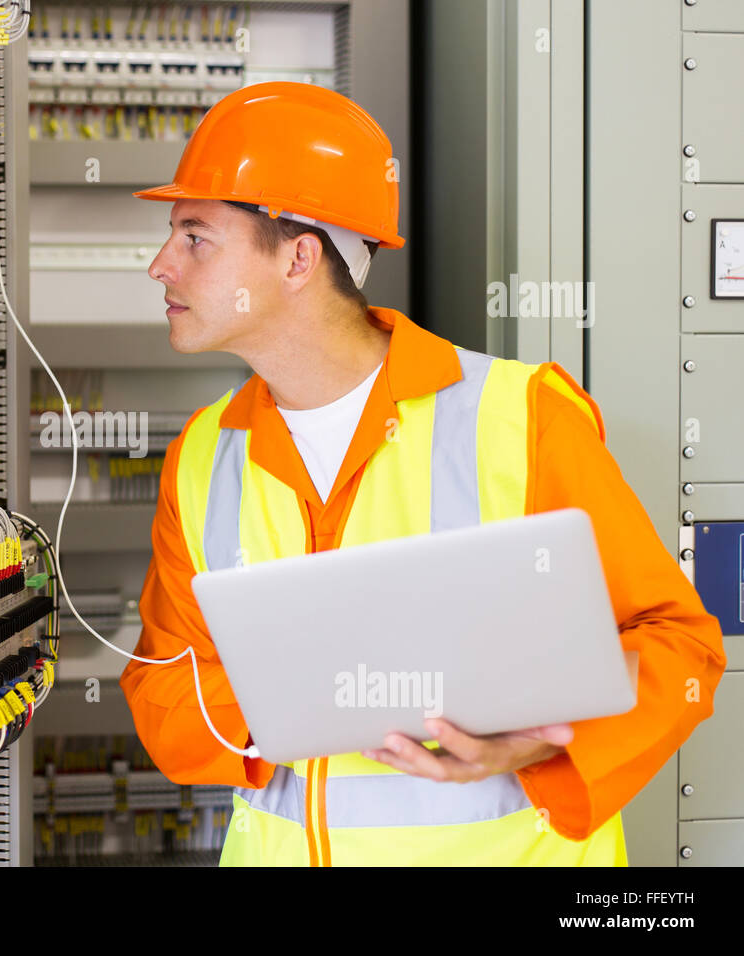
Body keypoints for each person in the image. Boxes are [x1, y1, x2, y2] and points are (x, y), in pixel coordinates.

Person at [118, 82, 726, 866]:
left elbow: (679, 648)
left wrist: (536, 749)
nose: (160, 265)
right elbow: (165, 691)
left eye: (195, 236)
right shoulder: (205, 453)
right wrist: (326, 691)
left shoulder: (522, 417)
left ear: (300, 256)